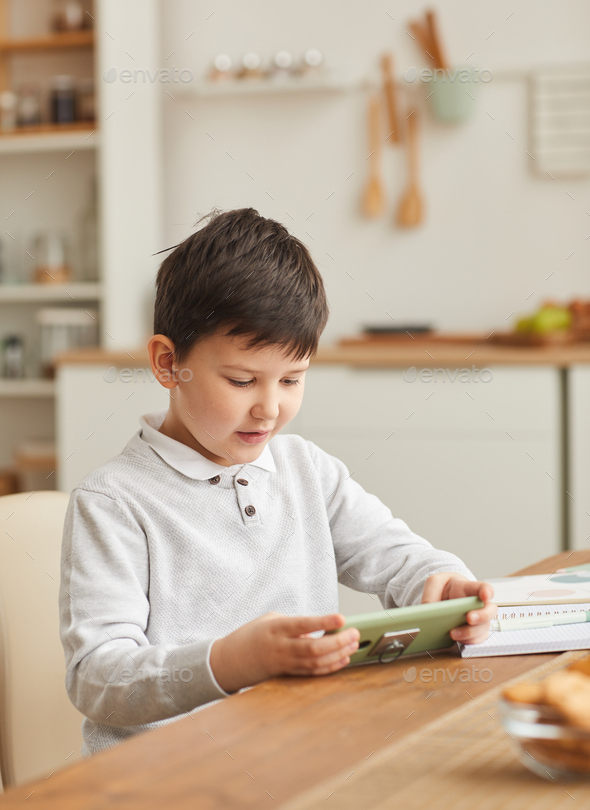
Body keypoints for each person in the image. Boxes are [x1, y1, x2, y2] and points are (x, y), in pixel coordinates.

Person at [59, 207, 496, 756]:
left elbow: (399, 557)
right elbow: (98, 678)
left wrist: (443, 584)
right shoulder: (114, 503)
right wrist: (230, 662)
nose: (270, 408)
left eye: (292, 379)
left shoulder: (306, 471)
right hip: (165, 781)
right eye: (242, 380)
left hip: (300, 759)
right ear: (168, 364)